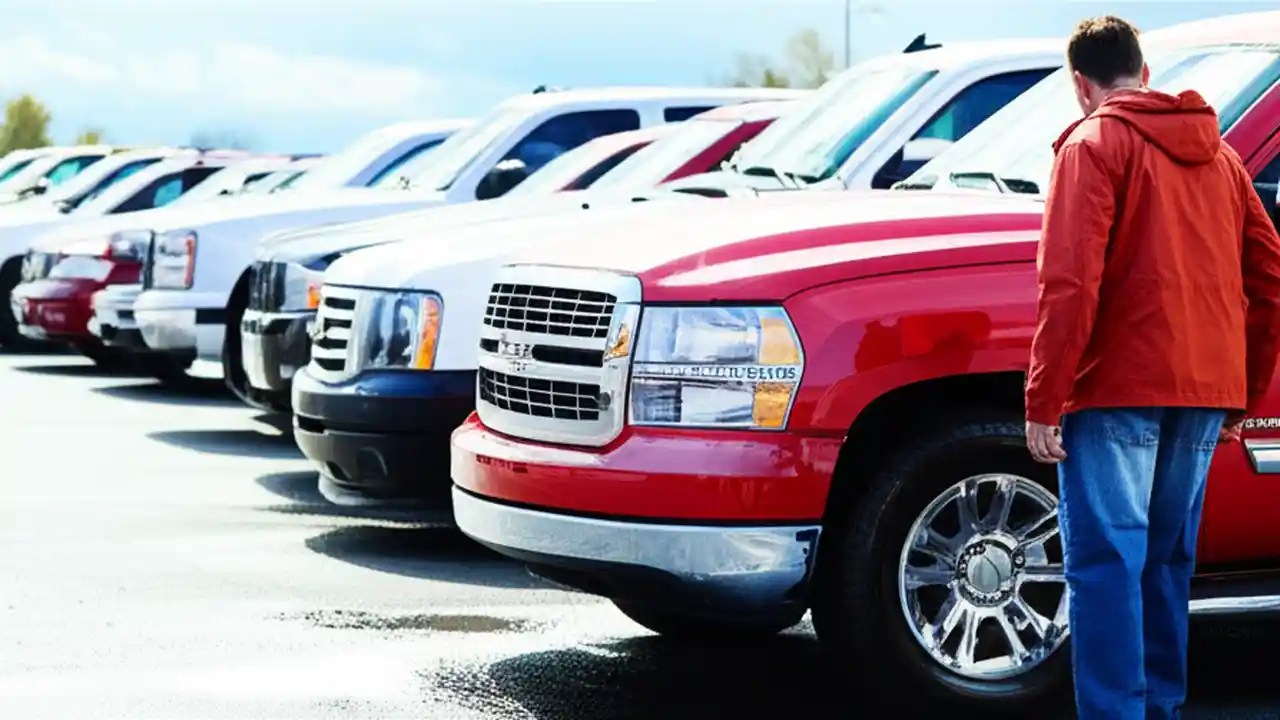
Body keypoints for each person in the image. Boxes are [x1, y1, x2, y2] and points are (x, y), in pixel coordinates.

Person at [1023, 16, 1280, 720]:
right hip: (1204, 392)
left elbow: (1069, 282)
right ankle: (1159, 708)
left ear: (1082, 85)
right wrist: (1243, 391)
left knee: (1107, 567)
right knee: (1167, 565)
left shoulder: (1092, 143)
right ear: (1144, 72)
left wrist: (1044, 397)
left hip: (1114, 390)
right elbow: (1271, 273)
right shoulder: (1221, 157)